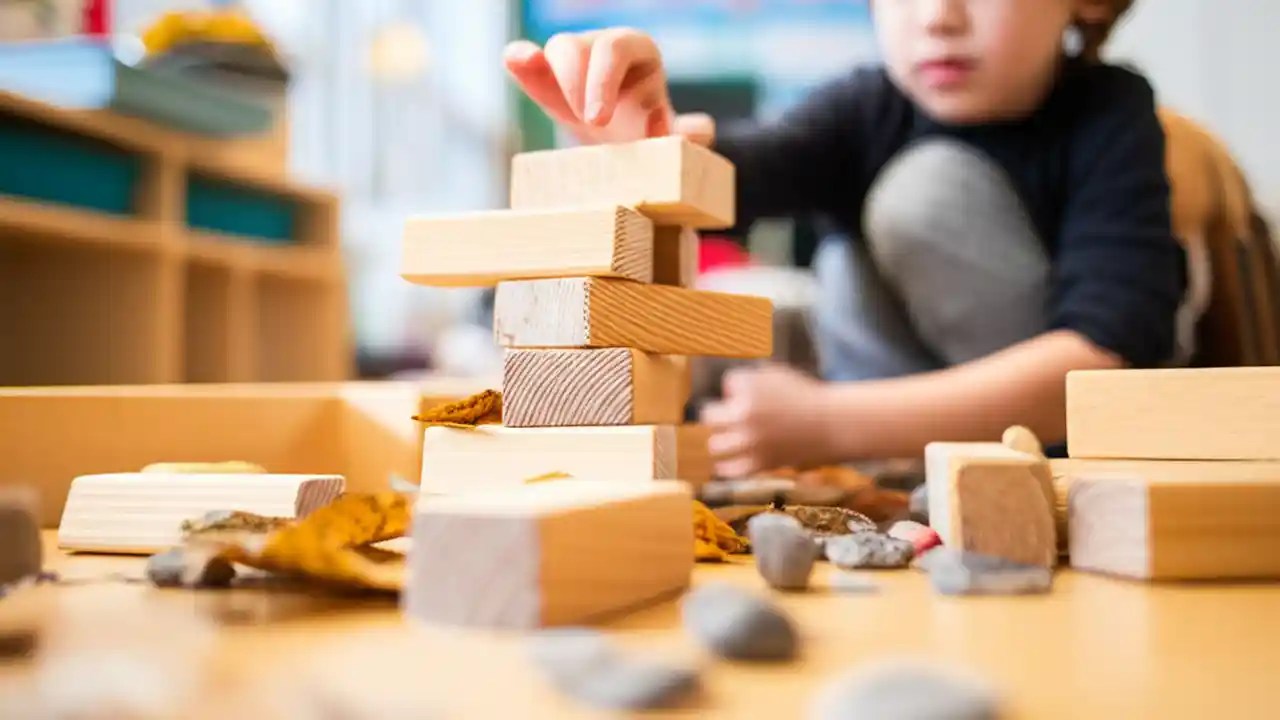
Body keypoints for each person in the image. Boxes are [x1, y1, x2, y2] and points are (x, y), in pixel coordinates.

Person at [503, 0, 1186, 476]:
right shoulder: (865, 109)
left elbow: (1106, 358)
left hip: (1042, 444)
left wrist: (830, 424)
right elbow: (725, 180)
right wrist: (633, 138)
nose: (937, 16)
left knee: (923, 192)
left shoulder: (1109, 113)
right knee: (782, 278)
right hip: (884, 441)